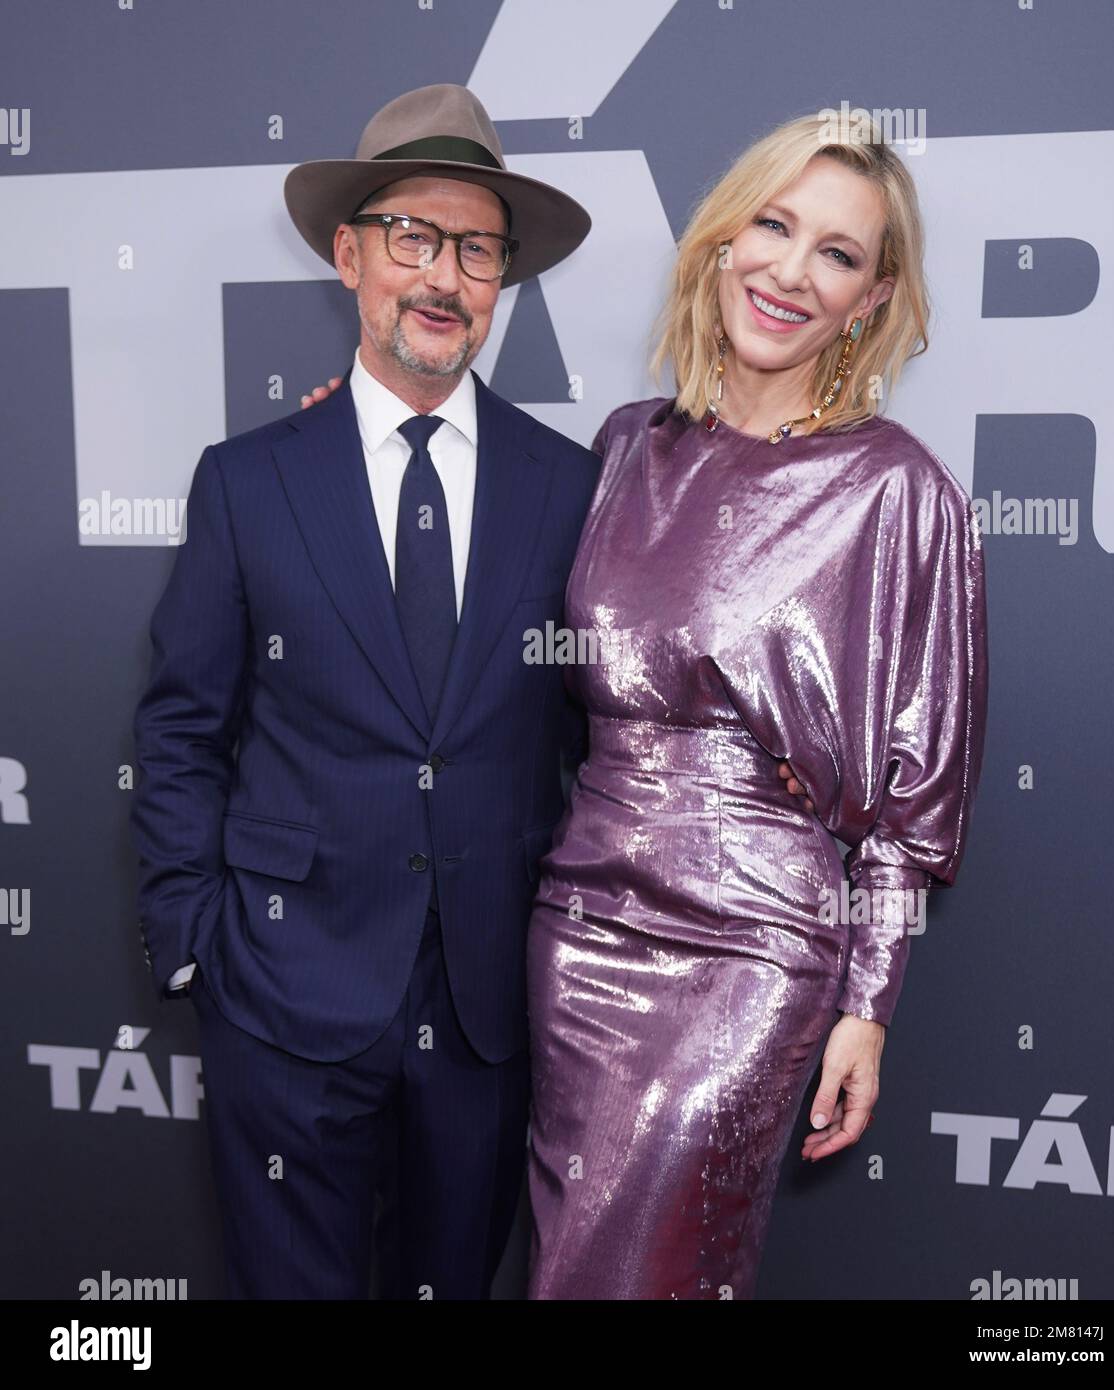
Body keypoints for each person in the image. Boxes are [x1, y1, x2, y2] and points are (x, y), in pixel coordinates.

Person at [129, 83, 602, 1299]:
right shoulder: (247, 482)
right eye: (413, 236)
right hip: (283, 1003)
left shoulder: (571, 488)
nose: (443, 276)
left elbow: (593, 741)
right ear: (349, 254)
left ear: (502, 277)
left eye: (477, 247)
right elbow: (183, 726)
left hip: (488, 1013)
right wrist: (194, 947)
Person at [524, 112, 988, 1298]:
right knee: (563, 1260)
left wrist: (866, 1007)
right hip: (574, 929)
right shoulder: (625, 447)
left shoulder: (896, 492)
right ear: (720, 241)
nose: (789, 270)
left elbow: (908, 799)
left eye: (835, 253)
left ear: (871, 300)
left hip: (747, 951)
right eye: (771, 225)